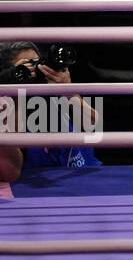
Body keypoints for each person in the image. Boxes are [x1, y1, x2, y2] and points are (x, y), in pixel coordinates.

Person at [0, 42, 101, 181]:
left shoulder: (56, 90)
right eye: (26, 66)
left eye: (36, 63)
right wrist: (16, 92)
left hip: (85, 174)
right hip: (42, 187)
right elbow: (17, 147)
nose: (34, 70)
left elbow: (94, 122)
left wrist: (68, 90)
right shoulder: (7, 105)